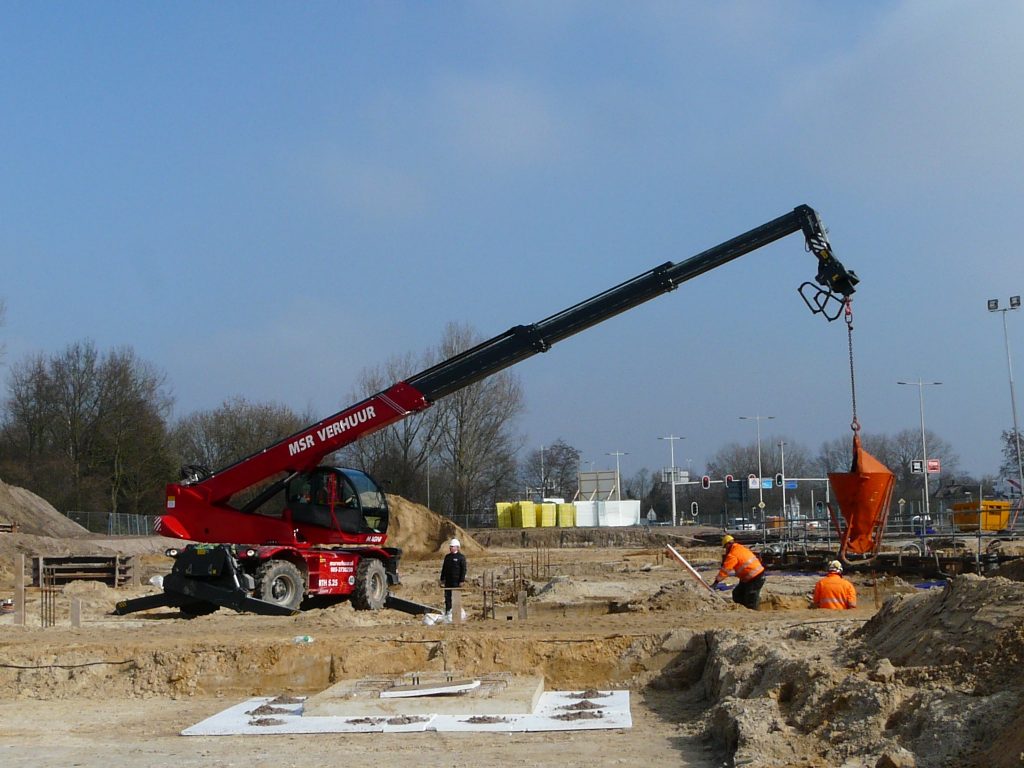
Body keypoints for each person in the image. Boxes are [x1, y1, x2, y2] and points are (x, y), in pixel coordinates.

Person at [711, 534, 766, 610]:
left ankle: (753, 614)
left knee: (751, 598)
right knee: (737, 594)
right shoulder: (740, 547)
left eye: (725, 547)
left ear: (729, 544)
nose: (725, 549)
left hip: (756, 577)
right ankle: (744, 609)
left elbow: (725, 570)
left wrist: (716, 583)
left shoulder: (733, 554)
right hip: (748, 578)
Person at [439, 537, 467, 615]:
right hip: (448, 581)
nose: (450, 548)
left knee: (456, 597)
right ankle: (448, 612)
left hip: (456, 581)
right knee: (447, 597)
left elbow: (463, 570)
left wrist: (462, 580)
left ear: (457, 547)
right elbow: (444, 568)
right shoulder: (447, 557)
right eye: (450, 546)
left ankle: (456, 613)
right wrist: (442, 579)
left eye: (452, 546)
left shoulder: (461, 557)